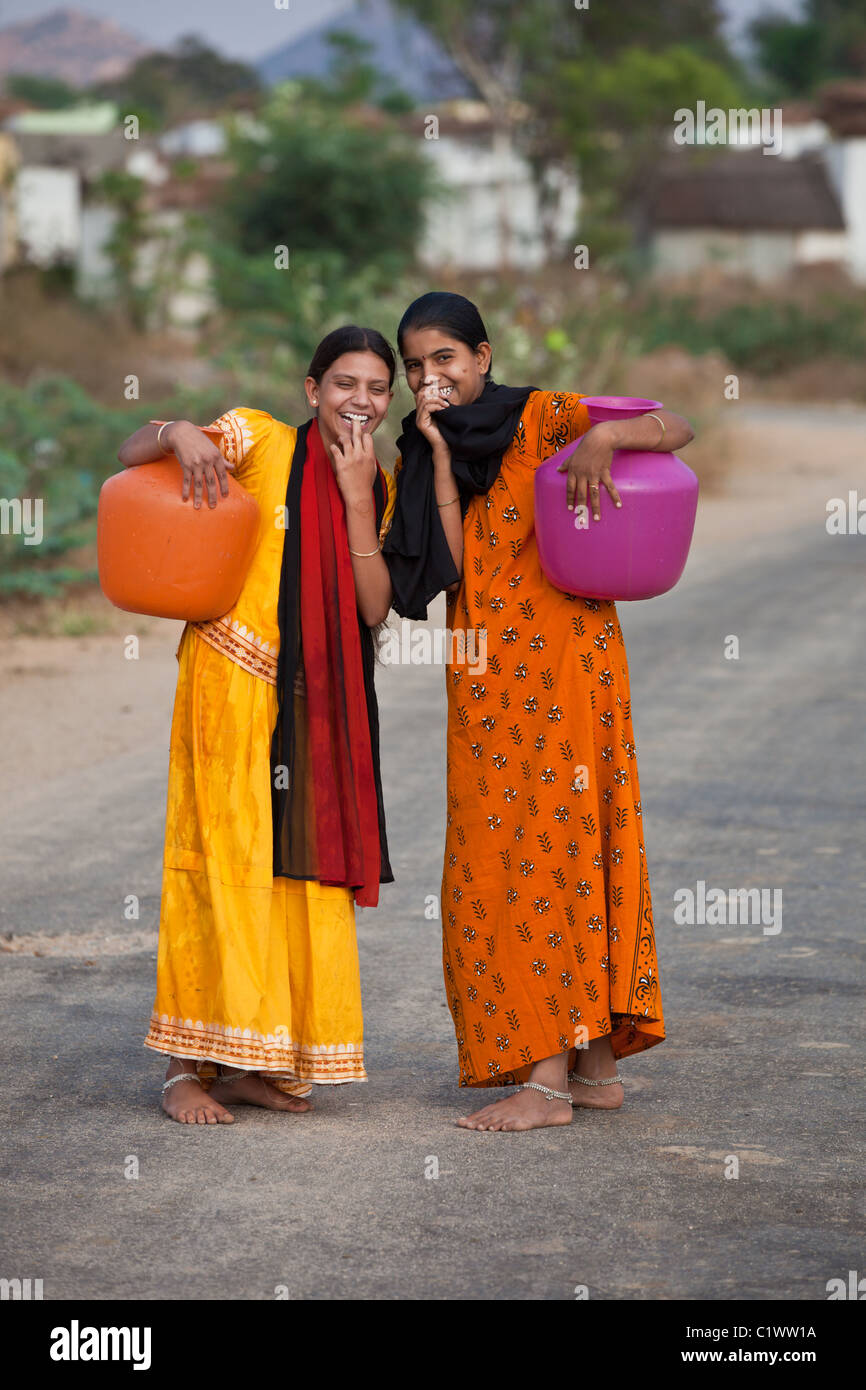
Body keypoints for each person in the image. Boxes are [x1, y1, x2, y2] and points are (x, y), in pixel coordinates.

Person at [384, 291, 695, 1132]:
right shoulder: (426, 446)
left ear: (483, 357)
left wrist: (605, 435)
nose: (430, 377)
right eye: (415, 366)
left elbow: (674, 426)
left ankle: (546, 1082)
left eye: (444, 358)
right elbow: (439, 571)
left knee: (552, 849)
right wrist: (440, 461)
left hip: (572, 666)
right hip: (484, 675)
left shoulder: (546, 418)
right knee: (506, 857)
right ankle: (593, 1067)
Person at [117, 326, 397, 1124]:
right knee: (218, 867)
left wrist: (353, 498)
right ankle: (182, 1070)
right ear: (313, 391)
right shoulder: (257, 437)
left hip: (321, 705)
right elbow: (138, 450)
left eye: (378, 388)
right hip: (229, 683)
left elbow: (375, 606)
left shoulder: (387, 473)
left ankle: (248, 1063)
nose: (362, 401)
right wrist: (173, 431)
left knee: (293, 883)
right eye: (346, 384)